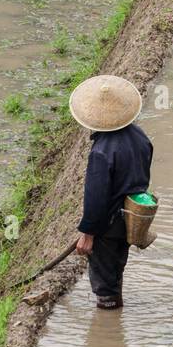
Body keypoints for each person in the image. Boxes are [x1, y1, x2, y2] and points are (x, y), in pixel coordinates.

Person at [69, 74, 153, 310]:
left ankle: (108, 329)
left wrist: (88, 233)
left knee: (105, 284)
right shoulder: (140, 137)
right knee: (116, 269)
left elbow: (97, 198)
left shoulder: (102, 151)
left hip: (108, 225)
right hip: (131, 217)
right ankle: (115, 314)